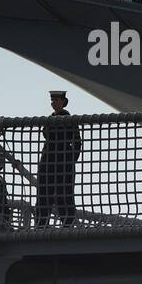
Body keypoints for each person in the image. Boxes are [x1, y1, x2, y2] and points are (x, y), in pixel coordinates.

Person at [35, 90, 82, 227]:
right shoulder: (49, 119)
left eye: (56, 100)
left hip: (62, 160)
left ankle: (65, 223)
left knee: (63, 194)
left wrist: (70, 159)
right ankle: (41, 224)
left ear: (62, 101)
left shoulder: (68, 119)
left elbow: (77, 141)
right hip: (48, 159)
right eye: (52, 100)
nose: (53, 102)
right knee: (44, 194)